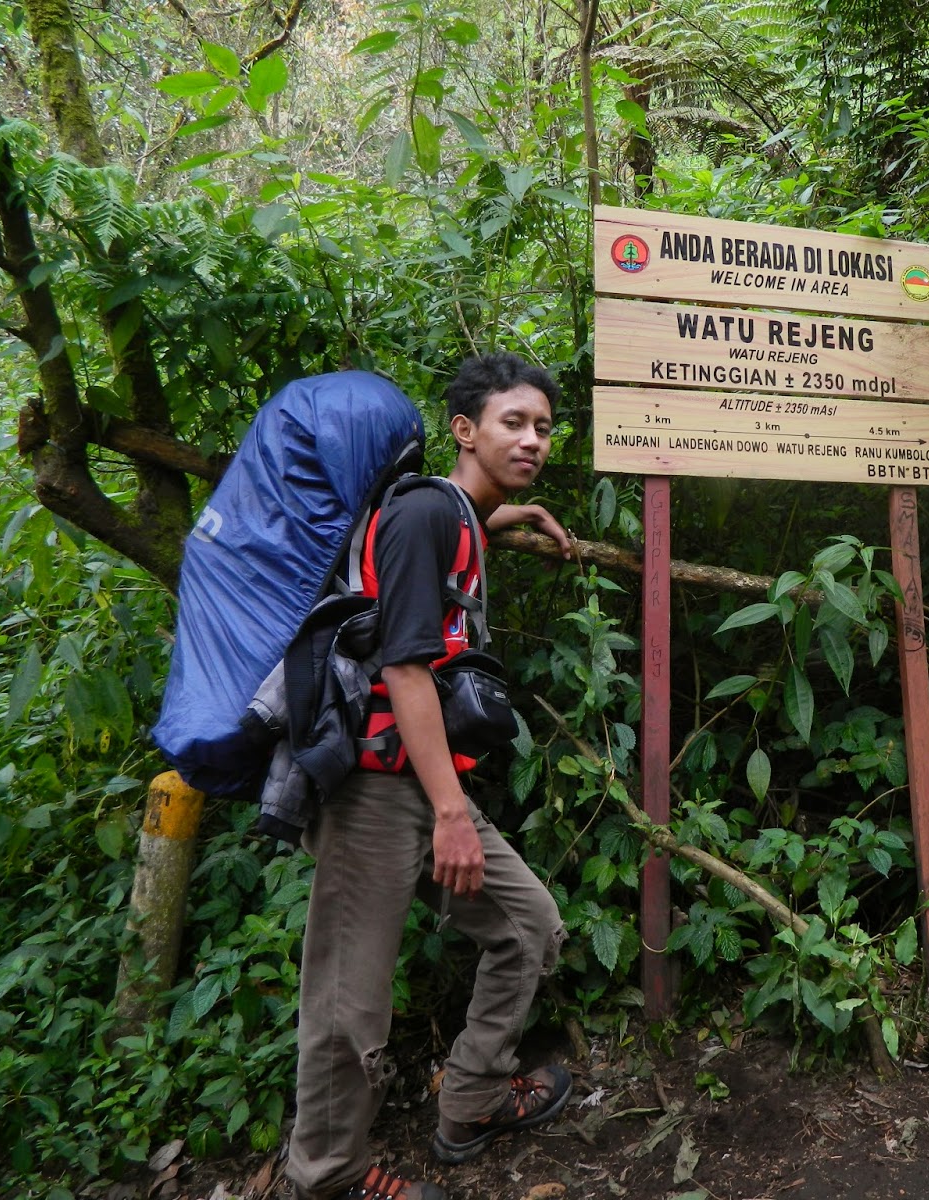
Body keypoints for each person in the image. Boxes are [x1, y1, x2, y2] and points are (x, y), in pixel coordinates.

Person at [286, 352, 575, 1200]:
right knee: (348, 1002)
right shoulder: (421, 515)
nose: (532, 439)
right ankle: (329, 1175)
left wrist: (512, 512)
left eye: (544, 428)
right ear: (464, 430)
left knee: (529, 927)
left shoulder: (452, 514)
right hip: (379, 787)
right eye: (512, 423)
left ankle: (473, 1101)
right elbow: (407, 669)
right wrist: (452, 811)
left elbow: (441, 552)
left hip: (425, 780)